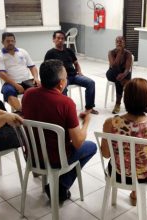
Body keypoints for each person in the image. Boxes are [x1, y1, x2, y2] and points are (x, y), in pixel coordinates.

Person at [22, 59, 97, 202]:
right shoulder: (66, 103)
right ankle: (61, 186)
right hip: (56, 160)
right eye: (66, 77)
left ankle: (59, 186)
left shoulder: (28, 94)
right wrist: (86, 122)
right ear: (61, 83)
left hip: (32, 156)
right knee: (91, 147)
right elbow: (78, 142)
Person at [100, 78, 147, 206]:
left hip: (118, 174)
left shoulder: (111, 123)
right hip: (145, 176)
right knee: (146, 160)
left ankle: (132, 191)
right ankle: (136, 192)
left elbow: (106, 154)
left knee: (124, 159)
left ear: (126, 98)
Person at [44, 30, 98, 116]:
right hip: (62, 78)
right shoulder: (50, 53)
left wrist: (79, 72)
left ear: (64, 40)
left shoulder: (69, 51)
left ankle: (89, 108)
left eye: (62, 38)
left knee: (91, 83)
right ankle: (66, 110)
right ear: (53, 40)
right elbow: (46, 68)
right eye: (58, 38)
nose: (60, 40)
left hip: (74, 75)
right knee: (62, 88)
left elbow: (76, 63)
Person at [0, 32, 40, 112]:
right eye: (7, 41)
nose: (10, 43)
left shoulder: (22, 52)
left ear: (15, 41)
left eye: (12, 41)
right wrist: (16, 85)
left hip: (27, 81)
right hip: (10, 83)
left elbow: (32, 67)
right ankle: (22, 112)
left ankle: (39, 111)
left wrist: (36, 78)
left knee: (43, 88)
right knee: (8, 92)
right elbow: (2, 74)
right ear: (2, 42)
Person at [106, 36, 133, 114]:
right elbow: (113, 66)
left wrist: (123, 74)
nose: (119, 43)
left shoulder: (128, 53)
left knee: (119, 80)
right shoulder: (111, 52)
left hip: (124, 74)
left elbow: (128, 68)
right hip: (112, 73)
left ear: (124, 43)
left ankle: (118, 104)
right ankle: (122, 104)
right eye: (117, 42)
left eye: (120, 42)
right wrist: (119, 53)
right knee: (118, 76)